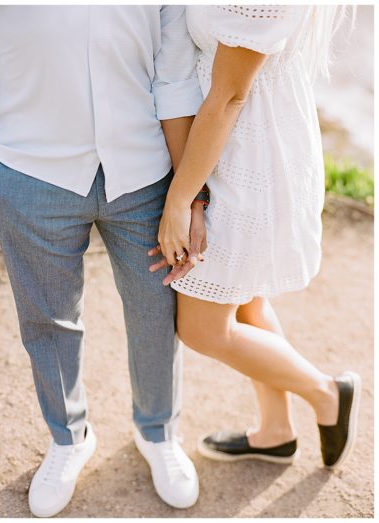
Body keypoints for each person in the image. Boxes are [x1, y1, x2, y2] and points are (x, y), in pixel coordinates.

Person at [0, 5, 208, 516]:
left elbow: (176, 78)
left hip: (145, 173)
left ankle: (158, 432)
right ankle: (69, 438)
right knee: (47, 321)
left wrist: (191, 196)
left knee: (155, 313)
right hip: (31, 170)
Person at [151, 5, 360, 467]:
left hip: (245, 160)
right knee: (247, 300)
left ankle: (327, 393)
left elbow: (229, 97)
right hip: (232, 145)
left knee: (203, 329)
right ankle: (276, 431)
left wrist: (181, 201)